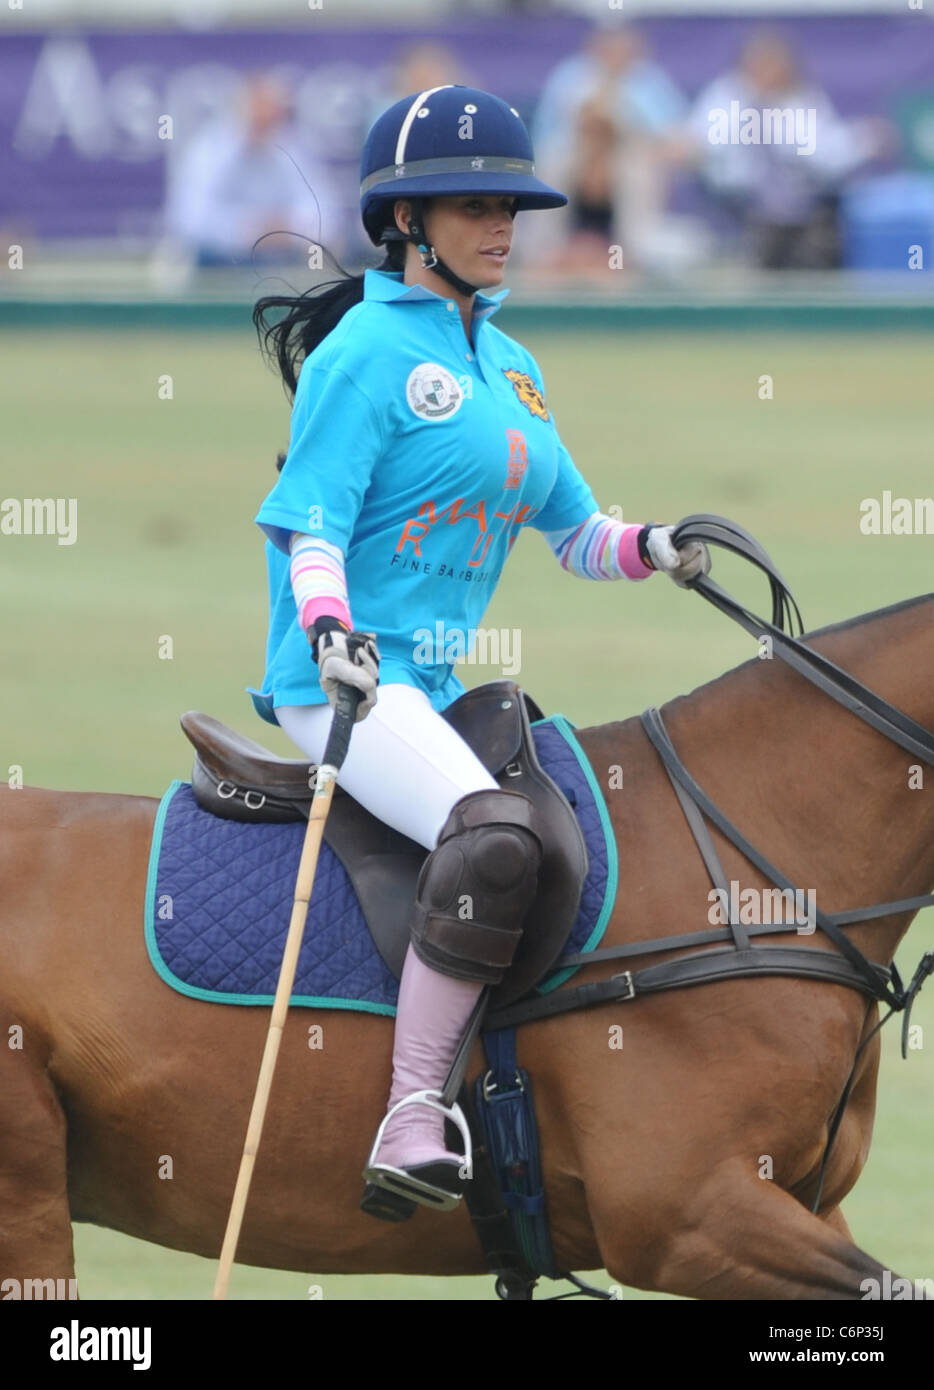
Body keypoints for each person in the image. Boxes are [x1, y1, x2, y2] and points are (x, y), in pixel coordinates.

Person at [249, 84, 709, 1221]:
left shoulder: (513, 364)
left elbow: (576, 533)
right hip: (344, 686)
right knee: (493, 838)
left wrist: (654, 544)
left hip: (441, 688)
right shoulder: (363, 353)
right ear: (405, 220)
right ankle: (412, 1111)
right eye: (472, 205)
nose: (503, 225)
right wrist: (327, 633)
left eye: (511, 203)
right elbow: (308, 522)